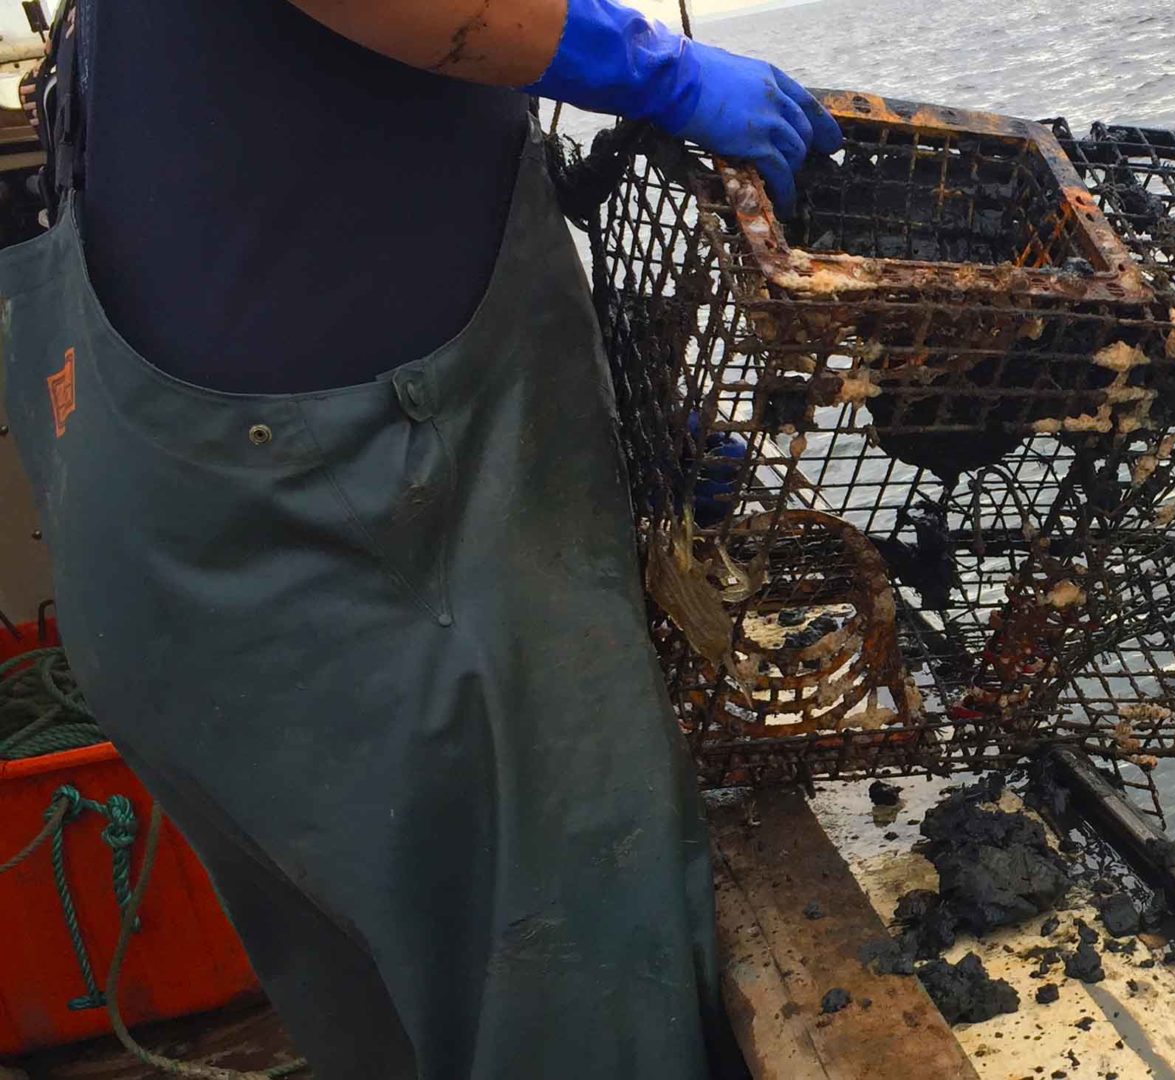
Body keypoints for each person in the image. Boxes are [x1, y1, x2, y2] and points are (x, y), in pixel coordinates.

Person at [3, 0, 839, 1076]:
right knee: (570, 988)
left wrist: (607, 430)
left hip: (194, 551)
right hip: (337, 539)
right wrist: (649, 66)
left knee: (397, 1022)